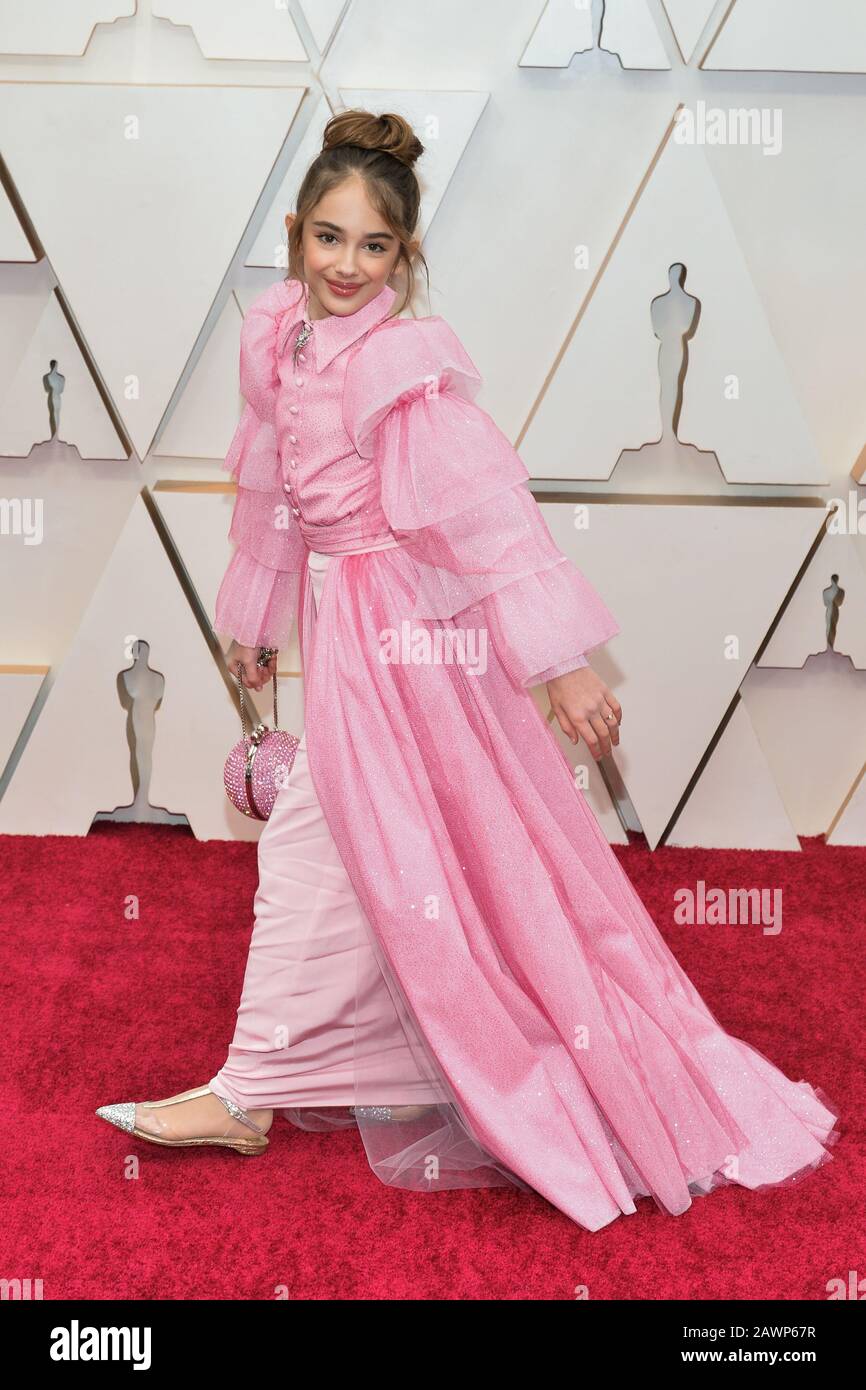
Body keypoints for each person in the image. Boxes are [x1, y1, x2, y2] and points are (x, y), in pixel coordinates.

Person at [96, 110, 840, 1232]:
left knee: (348, 844)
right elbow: (276, 497)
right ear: (295, 235)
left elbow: (484, 520)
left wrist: (557, 667)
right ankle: (319, 1066)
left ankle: (251, 1089)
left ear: (406, 257)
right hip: (336, 625)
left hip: (401, 640)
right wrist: (254, 616)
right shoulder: (281, 342)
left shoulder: (399, 366)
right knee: (359, 851)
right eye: (329, 239)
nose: (348, 265)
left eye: (375, 247)